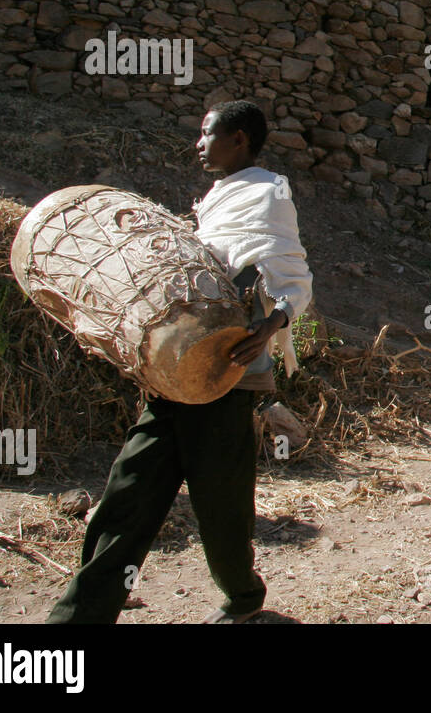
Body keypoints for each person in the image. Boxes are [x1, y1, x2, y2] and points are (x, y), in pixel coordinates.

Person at [49, 101, 313, 623]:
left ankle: (242, 598)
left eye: (207, 133)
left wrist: (272, 323)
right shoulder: (217, 196)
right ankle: (79, 617)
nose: (198, 143)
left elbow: (289, 272)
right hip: (174, 372)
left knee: (221, 509)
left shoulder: (268, 193)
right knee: (128, 492)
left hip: (226, 374)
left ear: (238, 138)